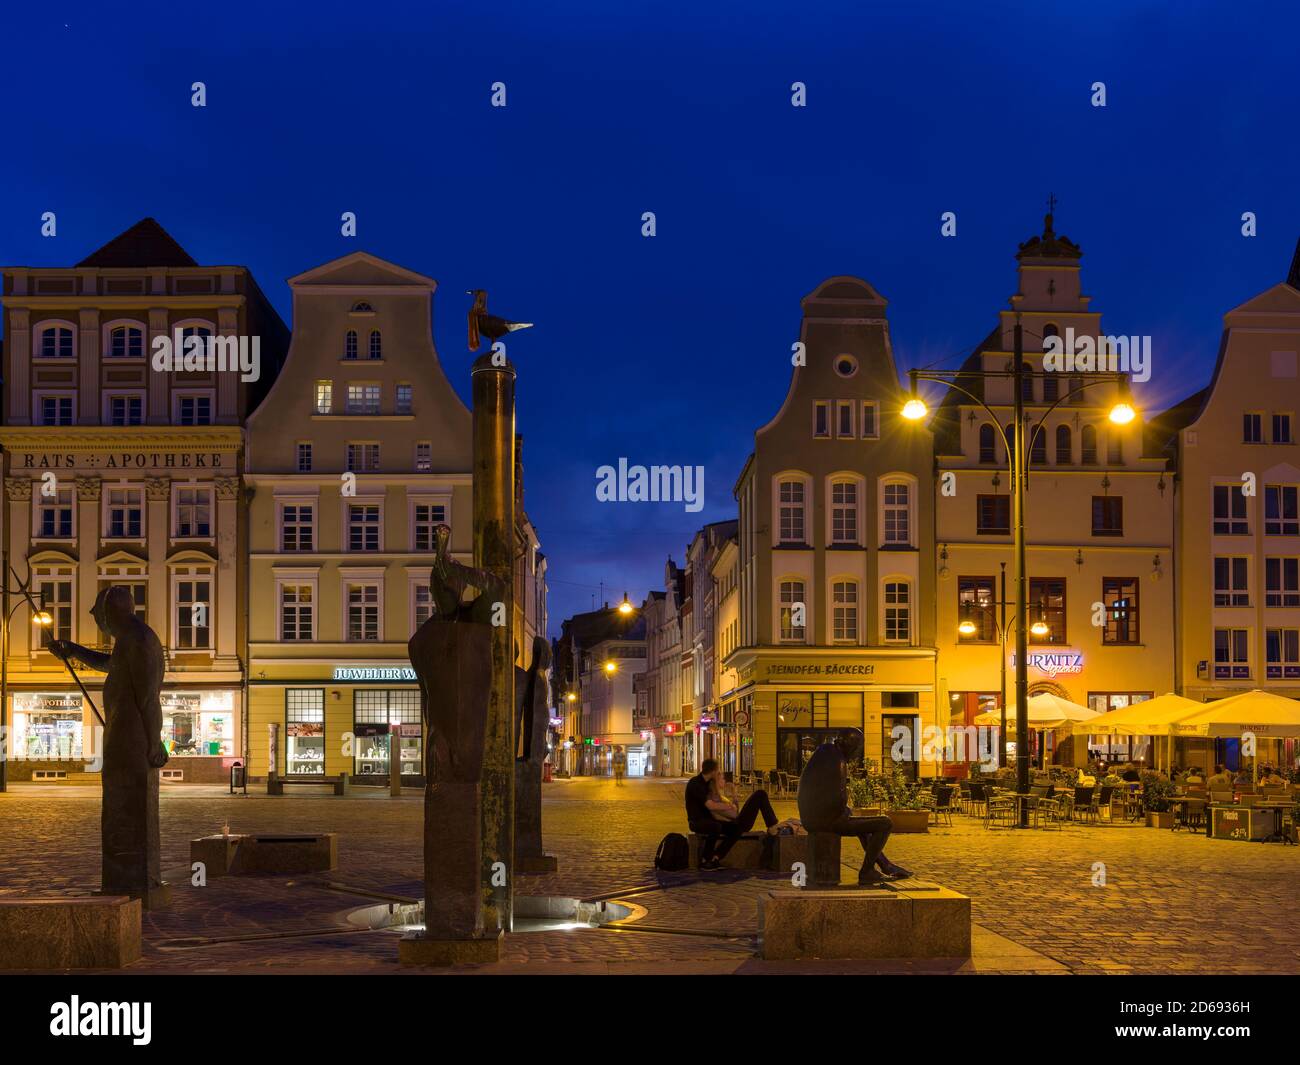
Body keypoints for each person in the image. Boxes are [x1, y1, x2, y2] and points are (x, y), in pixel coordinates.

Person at [797, 735, 912, 886]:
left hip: (811, 820)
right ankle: (867, 871)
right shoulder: (838, 760)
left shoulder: (824, 751)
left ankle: (884, 865)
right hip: (827, 822)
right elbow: (839, 799)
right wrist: (845, 811)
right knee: (885, 823)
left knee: (861, 824)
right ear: (851, 747)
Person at [685, 758, 779, 868]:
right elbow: (711, 806)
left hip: (714, 820)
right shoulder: (696, 784)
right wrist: (730, 805)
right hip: (697, 821)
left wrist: (732, 798)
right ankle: (706, 859)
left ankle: (716, 857)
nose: (724, 780)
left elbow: (728, 812)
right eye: (721, 775)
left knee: (735, 829)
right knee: (716, 826)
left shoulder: (709, 787)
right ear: (713, 772)